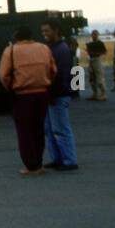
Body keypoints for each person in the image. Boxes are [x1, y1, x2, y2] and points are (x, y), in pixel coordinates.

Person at [0, 26, 56, 176]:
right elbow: (53, 70)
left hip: (21, 95)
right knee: (38, 129)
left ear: (16, 37)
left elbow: (3, 75)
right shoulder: (44, 48)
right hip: (42, 93)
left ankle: (31, 166)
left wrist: (11, 88)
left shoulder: (10, 51)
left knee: (25, 132)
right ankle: (39, 162)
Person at [41, 22, 77, 171]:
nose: (44, 33)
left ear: (56, 30)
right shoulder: (53, 48)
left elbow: (61, 74)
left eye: (47, 30)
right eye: (43, 30)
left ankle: (69, 160)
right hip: (52, 94)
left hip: (58, 94)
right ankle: (57, 158)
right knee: (50, 129)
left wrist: (56, 93)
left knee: (61, 129)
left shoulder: (61, 50)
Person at [85, 31, 108, 100]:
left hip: (97, 59)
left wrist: (97, 53)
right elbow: (88, 51)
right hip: (91, 59)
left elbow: (104, 51)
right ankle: (94, 93)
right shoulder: (90, 43)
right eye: (93, 34)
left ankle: (103, 94)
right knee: (92, 78)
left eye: (95, 34)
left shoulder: (100, 43)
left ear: (97, 35)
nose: (94, 36)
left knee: (99, 77)